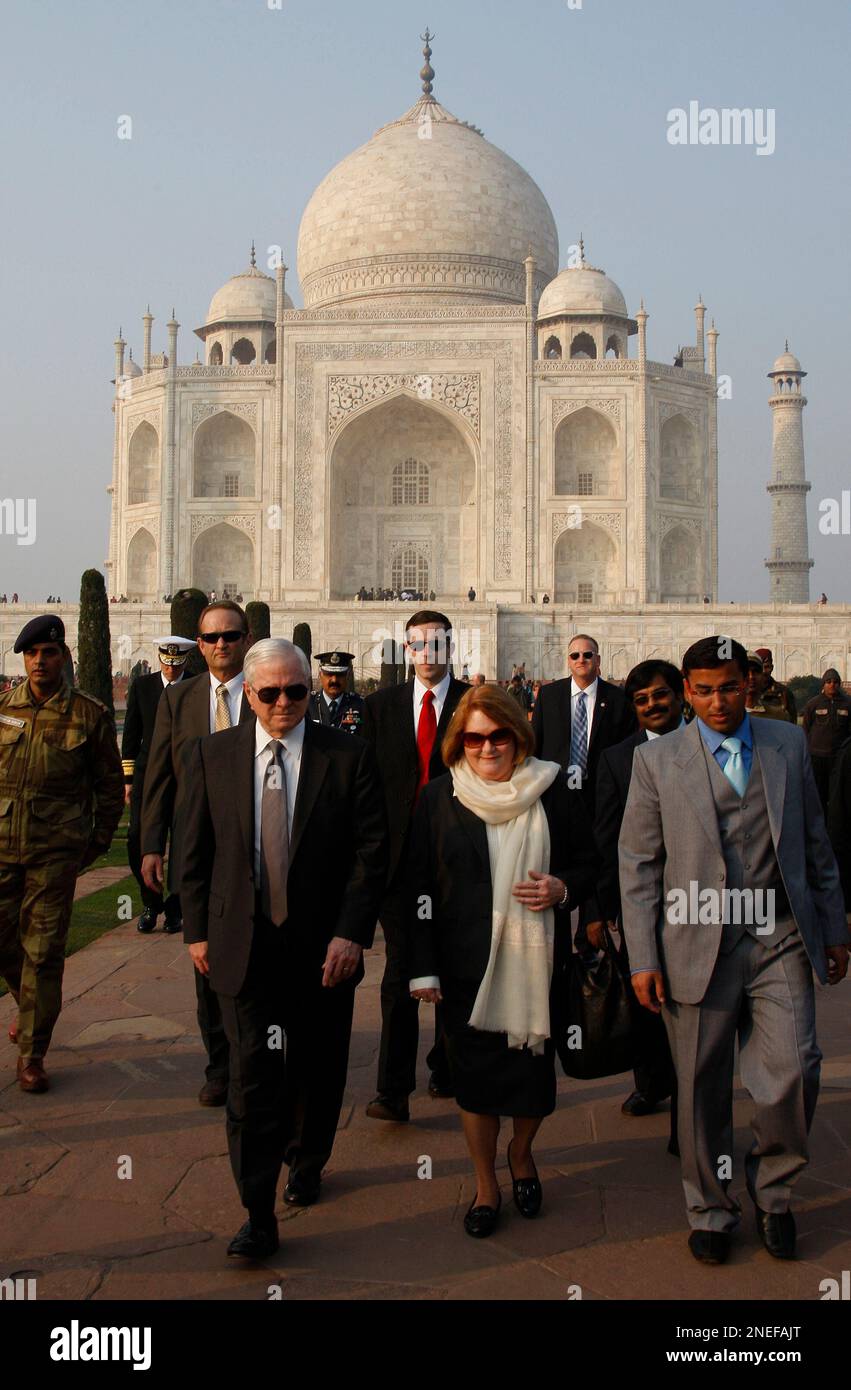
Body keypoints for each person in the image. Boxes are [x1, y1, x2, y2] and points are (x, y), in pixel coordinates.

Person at [619, 635, 849, 1266]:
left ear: (747, 683)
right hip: (697, 939)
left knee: (794, 1069)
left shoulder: (787, 744)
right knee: (699, 1086)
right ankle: (711, 1207)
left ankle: (773, 1192)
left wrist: (833, 929)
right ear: (686, 693)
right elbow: (638, 865)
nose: (717, 702)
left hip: (778, 936)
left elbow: (814, 844)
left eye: (728, 687)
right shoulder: (658, 761)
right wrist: (642, 955)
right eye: (704, 690)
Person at [180, 639, 387, 1257]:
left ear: (308, 689)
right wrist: (196, 930)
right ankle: (257, 1209)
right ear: (248, 693)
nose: (283, 704)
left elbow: (371, 853)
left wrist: (351, 932)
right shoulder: (213, 754)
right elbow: (195, 852)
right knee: (249, 1081)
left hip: (324, 946)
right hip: (244, 944)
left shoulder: (347, 756)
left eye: (295, 692)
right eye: (268, 693)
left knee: (317, 1066)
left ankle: (309, 1160)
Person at [407, 685, 597, 1237]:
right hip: (464, 965)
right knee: (475, 1084)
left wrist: (563, 889)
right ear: (458, 744)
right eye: (474, 739)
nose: (487, 748)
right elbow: (416, 887)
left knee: (532, 1079)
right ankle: (486, 1183)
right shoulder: (440, 798)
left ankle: (522, 1152)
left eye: (499, 737)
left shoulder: (552, 791)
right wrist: (422, 966)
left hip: (536, 967)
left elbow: (590, 862)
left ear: (518, 737)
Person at [0, 615, 124, 1092]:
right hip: (4, 848)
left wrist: (93, 844)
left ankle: (32, 1053)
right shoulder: (5, 709)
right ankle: (26, 1002)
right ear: (23, 659)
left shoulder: (87, 715)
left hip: (55, 854)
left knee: (45, 952)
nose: (39, 662)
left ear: (63, 657)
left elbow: (110, 789)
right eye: (31, 654)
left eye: (48, 653)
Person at [141, 601, 254, 1107]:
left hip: (254, 845)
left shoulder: (264, 691)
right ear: (199, 643)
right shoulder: (179, 700)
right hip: (196, 849)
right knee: (204, 956)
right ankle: (219, 1067)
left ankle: (254, 1059)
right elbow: (159, 775)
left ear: (246, 639)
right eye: (211, 638)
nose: (221, 645)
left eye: (230, 636)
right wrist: (150, 843)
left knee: (256, 955)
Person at [360, 610, 467, 1121]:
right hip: (399, 863)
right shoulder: (380, 707)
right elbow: (365, 786)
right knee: (400, 972)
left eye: (436, 643)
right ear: (406, 650)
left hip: (457, 859)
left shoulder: (474, 704)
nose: (427, 653)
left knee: (454, 967)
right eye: (418, 644)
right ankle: (392, 1089)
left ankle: (447, 1068)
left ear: (451, 646)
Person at [582, 660, 683, 1133]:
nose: (652, 706)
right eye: (640, 700)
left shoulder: (709, 746)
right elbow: (603, 839)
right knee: (643, 995)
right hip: (638, 900)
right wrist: (597, 909)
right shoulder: (618, 758)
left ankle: (690, 1105)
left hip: (699, 901)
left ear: (680, 695)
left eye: (660, 695)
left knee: (693, 1004)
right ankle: (651, 1080)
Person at [122, 636, 195, 933]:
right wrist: (128, 781)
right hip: (147, 777)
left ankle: (176, 908)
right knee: (137, 840)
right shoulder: (143, 687)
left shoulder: (197, 686)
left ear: (185, 661)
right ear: (160, 659)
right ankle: (151, 902)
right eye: (166, 663)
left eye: (176, 665)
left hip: (185, 777)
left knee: (183, 843)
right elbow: (131, 734)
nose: (170, 669)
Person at [531, 634, 636, 811]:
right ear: (568, 661)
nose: (581, 659)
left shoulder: (617, 699)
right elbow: (536, 741)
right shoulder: (549, 695)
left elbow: (627, 746)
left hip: (601, 791)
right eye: (575, 656)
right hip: (556, 787)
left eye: (587, 655)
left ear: (598, 660)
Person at [802, 669, 851, 813]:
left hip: (838, 758)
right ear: (823, 684)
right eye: (828, 682)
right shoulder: (813, 704)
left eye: (835, 682)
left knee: (838, 796)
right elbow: (806, 729)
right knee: (818, 795)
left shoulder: (847, 704)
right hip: (817, 757)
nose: (832, 685)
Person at [307, 651, 364, 734]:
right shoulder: (308, 704)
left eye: (340, 675)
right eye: (329, 674)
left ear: (347, 676)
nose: (334, 680)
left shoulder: (359, 705)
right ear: (320, 675)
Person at [744, 651, 790, 721]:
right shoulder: (728, 715)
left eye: (756, 671)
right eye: (746, 672)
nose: (751, 677)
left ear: (762, 677)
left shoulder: (778, 716)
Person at [755, 648, 796, 723]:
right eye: (760, 668)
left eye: (767, 667)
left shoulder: (783, 692)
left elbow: (792, 722)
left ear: (772, 668)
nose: (764, 671)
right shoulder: (746, 692)